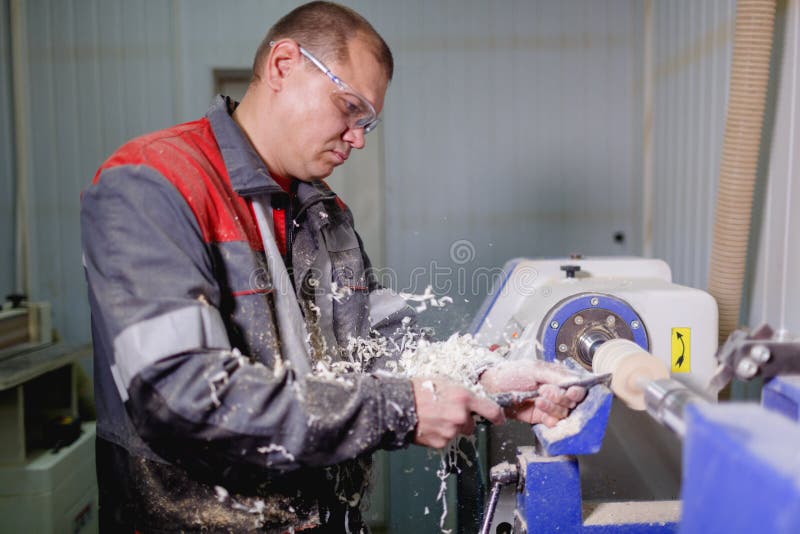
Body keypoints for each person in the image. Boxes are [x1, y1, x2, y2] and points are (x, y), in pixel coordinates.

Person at [80, 2, 586, 532]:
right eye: (348, 107)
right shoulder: (153, 184)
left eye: (367, 121)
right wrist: (403, 410)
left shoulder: (324, 210)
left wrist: (484, 377)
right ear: (282, 65)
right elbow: (180, 396)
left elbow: (378, 341)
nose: (358, 138)